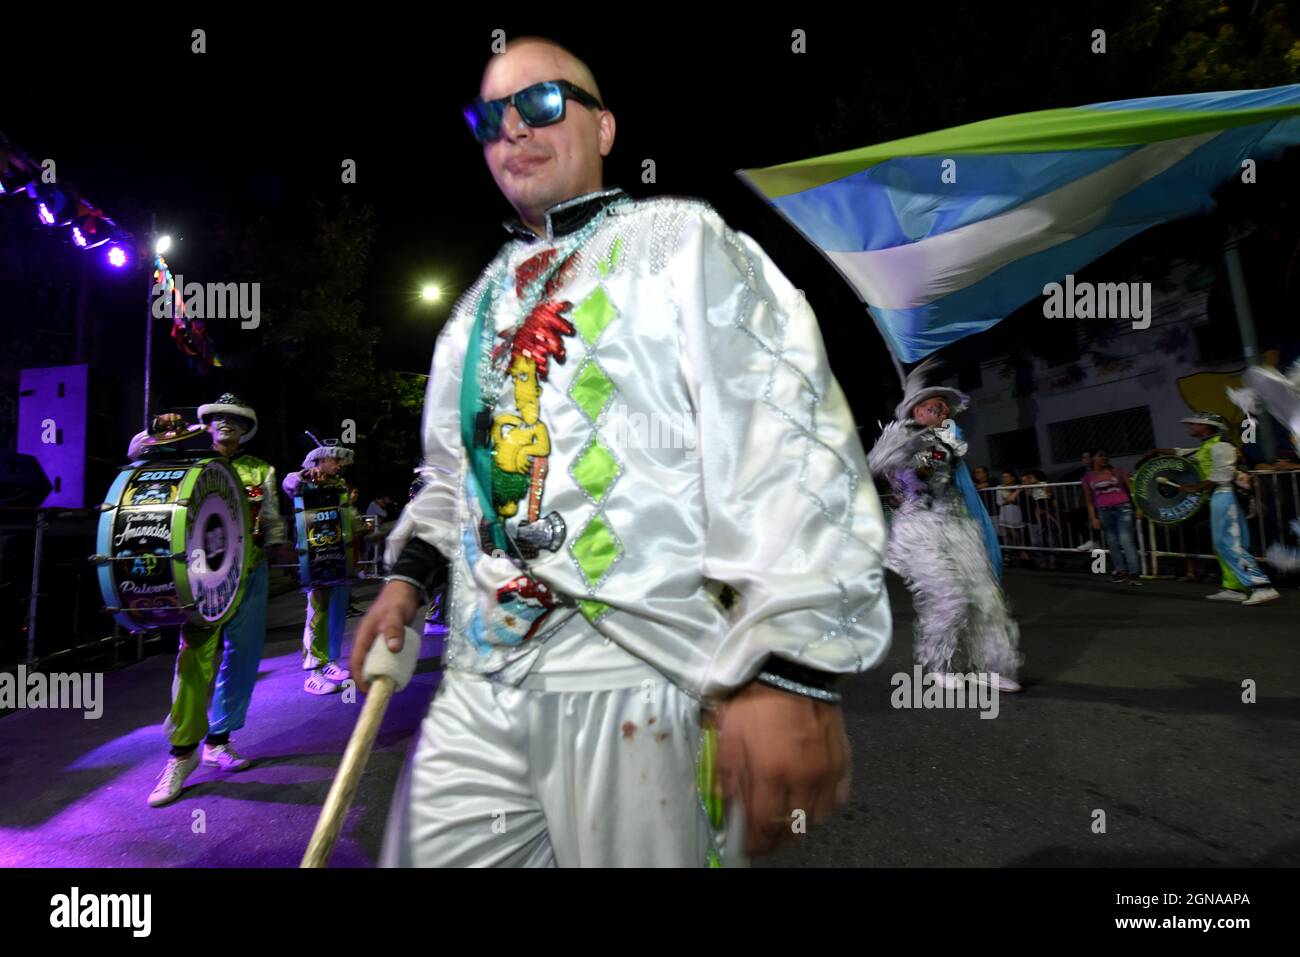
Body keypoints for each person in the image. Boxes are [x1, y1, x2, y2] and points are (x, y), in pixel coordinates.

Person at [353, 36, 892, 867]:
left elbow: (784, 434)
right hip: (478, 682)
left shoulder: (681, 241)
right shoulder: (472, 311)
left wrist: (790, 663)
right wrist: (405, 581)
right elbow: (451, 476)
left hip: (642, 677)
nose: (512, 130)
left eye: (539, 104)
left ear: (604, 128)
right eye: (489, 117)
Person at [127, 394, 292, 807]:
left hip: (250, 573)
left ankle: (218, 740)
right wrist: (154, 432)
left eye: (235, 419)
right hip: (202, 578)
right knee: (194, 659)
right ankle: (181, 754)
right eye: (218, 417)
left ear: (245, 429)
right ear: (208, 423)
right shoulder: (187, 459)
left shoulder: (260, 469)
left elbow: (270, 517)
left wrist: (279, 550)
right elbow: (134, 456)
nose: (225, 424)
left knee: (243, 658)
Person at [868, 360, 1022, 692]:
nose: (941, 412)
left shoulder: (947, 441)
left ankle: (991, 668)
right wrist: (923, 456)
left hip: (957, 526)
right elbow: (898, 474)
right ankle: (939, 663)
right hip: (919, 529)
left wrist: (941, 451)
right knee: (949, 596)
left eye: (944, 408)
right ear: (917, 411)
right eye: (934, 407)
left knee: (987, 598)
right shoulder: (901, 436)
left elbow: (945, 476)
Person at [1145, 412, 1279, 605]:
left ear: (1207, 427)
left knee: (1230, 544)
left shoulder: (1220, 446)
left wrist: (1196, 487)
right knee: (1223, 544)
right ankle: (1233, 587)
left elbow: (1222, 475)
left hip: (1225, 495)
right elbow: (1182, 452)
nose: (1190, 426)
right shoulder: (1208, 445)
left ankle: (1261, 586)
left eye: (1194, 424)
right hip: (1218, 497)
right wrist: (1157, 451)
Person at [283, 439, 362, 694]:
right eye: (335, 460)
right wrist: (306, 474)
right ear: (320, 461)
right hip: (316, 558)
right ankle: (313, 672)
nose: (339, 465)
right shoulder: (303, 482)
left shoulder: (338, 485)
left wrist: (363, 529)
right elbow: (289, 482)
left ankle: (330, 662)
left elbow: (349, 515)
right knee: (317, 613)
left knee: (337, 612)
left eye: (341, 461)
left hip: (339, 556)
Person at [1080, 450, 1141, 585]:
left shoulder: (1119, 472)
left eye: (1106, 455)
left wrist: (1138, 508)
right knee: (1112, 542)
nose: (1104, 458)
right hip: (1104, 511)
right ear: (1093, 459)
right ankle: (1120, 571)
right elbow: (1089, 500)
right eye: (1100, 455)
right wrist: (1093, 518)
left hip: (1123, 508)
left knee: (1126, 541)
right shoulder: (1088, 478)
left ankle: (1134, 573)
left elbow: (1133, 491)